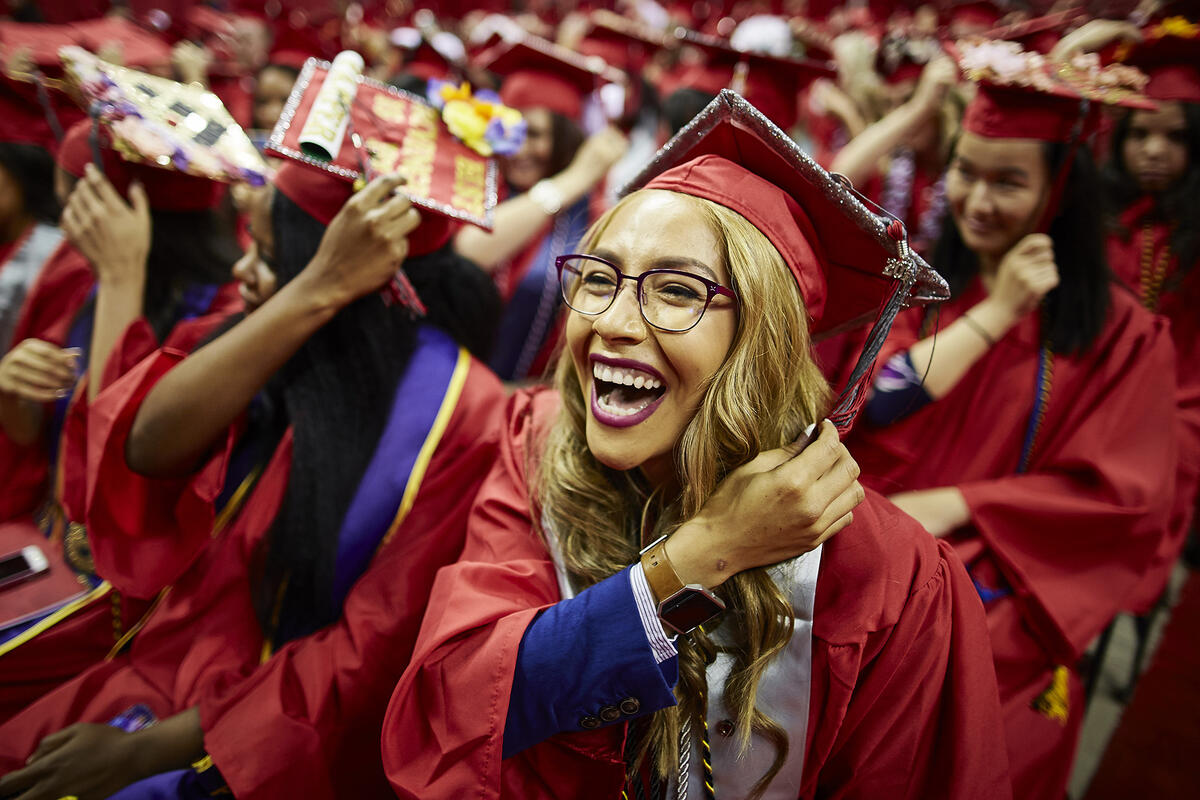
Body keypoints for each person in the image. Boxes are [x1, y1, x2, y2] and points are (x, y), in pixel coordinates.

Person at [382, 91, 1012, 800]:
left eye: (676, 290)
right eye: (597, 278)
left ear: (764, 340)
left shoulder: (892, 580)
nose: (614, 321)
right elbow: (461, 704)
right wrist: (700, 555)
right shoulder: (538, 445)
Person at [0, 149, 505, 799]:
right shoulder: (269, 334)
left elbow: (365, 653)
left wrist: (145, 752)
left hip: (259, 737)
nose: (243, 267)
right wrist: (311, 289)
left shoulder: (461, 414)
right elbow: (144, 449)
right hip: (153, 657)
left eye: (266, 254)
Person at [846, 53, 1178, 800]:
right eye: (966, 170)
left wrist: (962, 506)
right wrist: (996, 315)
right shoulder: (927, 283)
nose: (976, 198)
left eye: (1009, 181)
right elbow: (879, 396)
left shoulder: (1122, 335)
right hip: (866, 540)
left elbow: (1120, 500)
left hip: (1001, 579)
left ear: (1059, 196)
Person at [0, 118, 242, 720]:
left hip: (126, 599)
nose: (63, 222)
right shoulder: (78, 276)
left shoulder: (224, 324)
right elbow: (41, 446)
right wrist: (11, 391)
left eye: (73, 202)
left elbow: (115, 491)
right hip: (42, 539)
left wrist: (120, 280)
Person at [456, 35, 628, 381]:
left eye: (534, 134)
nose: (517, 149)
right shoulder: (478, 182)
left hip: (532, 394)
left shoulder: (592, 213)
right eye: (508, 130)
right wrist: (572, 180)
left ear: (564, 138)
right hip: (453, 381)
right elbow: (470, 250)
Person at [1102, 24, 1200, 616]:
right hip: (1098, 394)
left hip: (1178, 411)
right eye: (1139, 134)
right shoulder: (1105, 219)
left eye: (1174, 137)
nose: (1154, 151)